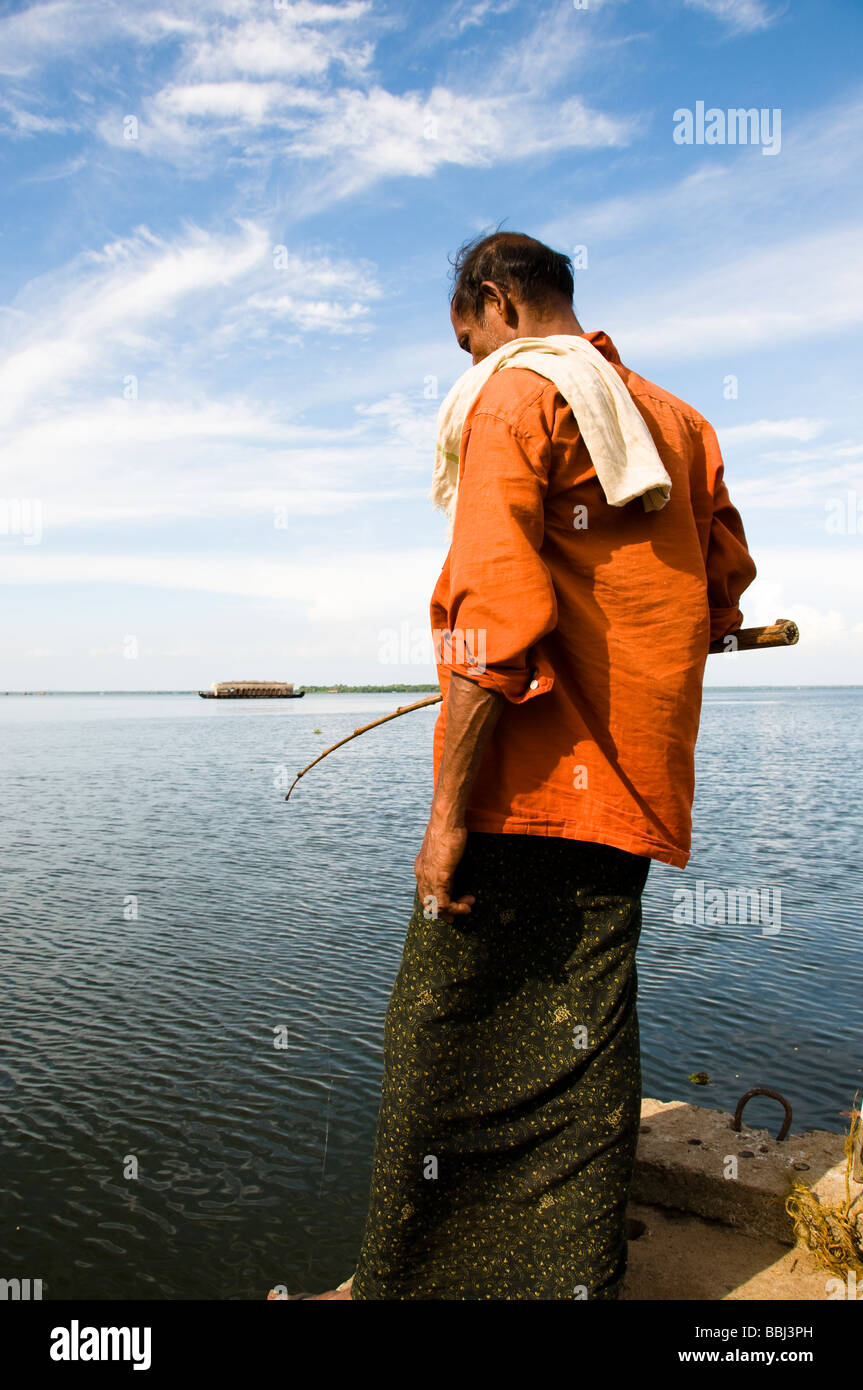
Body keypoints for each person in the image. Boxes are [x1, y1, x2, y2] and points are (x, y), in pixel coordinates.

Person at [283, 230, 757, 1301]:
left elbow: (487, 623)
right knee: (581, 1042)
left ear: (493, 303)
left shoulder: (511, 397)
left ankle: (406, 1285)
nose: (470, 363)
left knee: (435, 1034)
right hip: (631, 784)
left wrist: (445, 814)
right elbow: (719, 583)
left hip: (528, 789)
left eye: (465, 340)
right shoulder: (677, 421)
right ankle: (566, 1282)